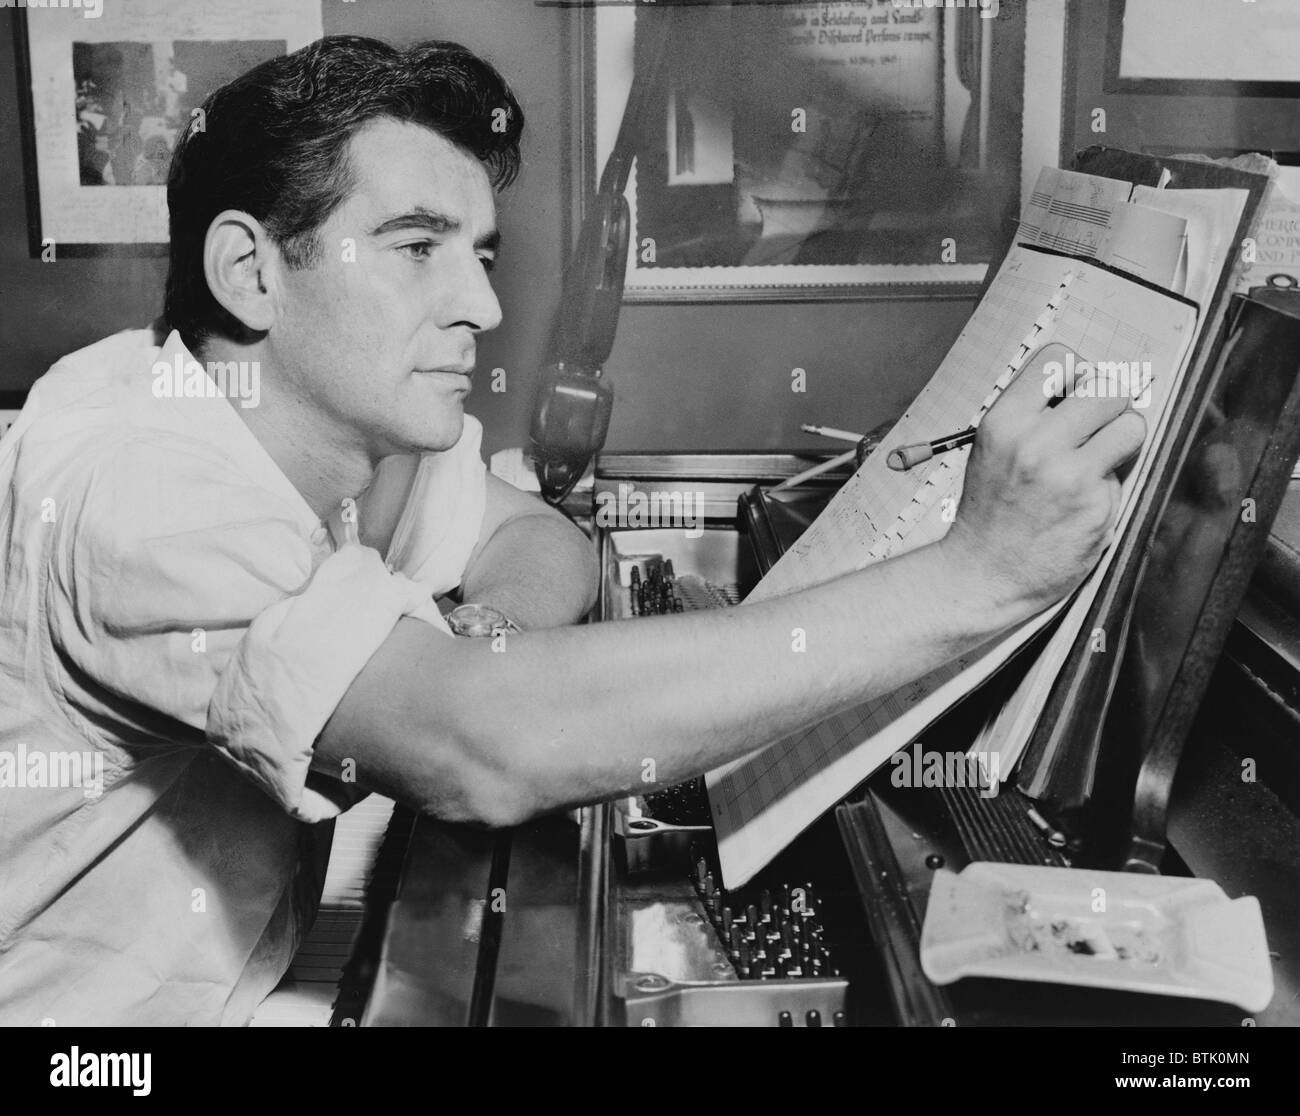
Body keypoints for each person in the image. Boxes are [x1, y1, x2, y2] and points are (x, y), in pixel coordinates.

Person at [0, 36, 1145, 1025]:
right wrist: (977, 578)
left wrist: (475, 641)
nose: (485, 308)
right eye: (415, 249)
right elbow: (479, 752)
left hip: (243, 960)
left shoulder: (343, 414)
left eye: (481, 256)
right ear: (252, 271)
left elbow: (538, 541)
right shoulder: (140, 485)